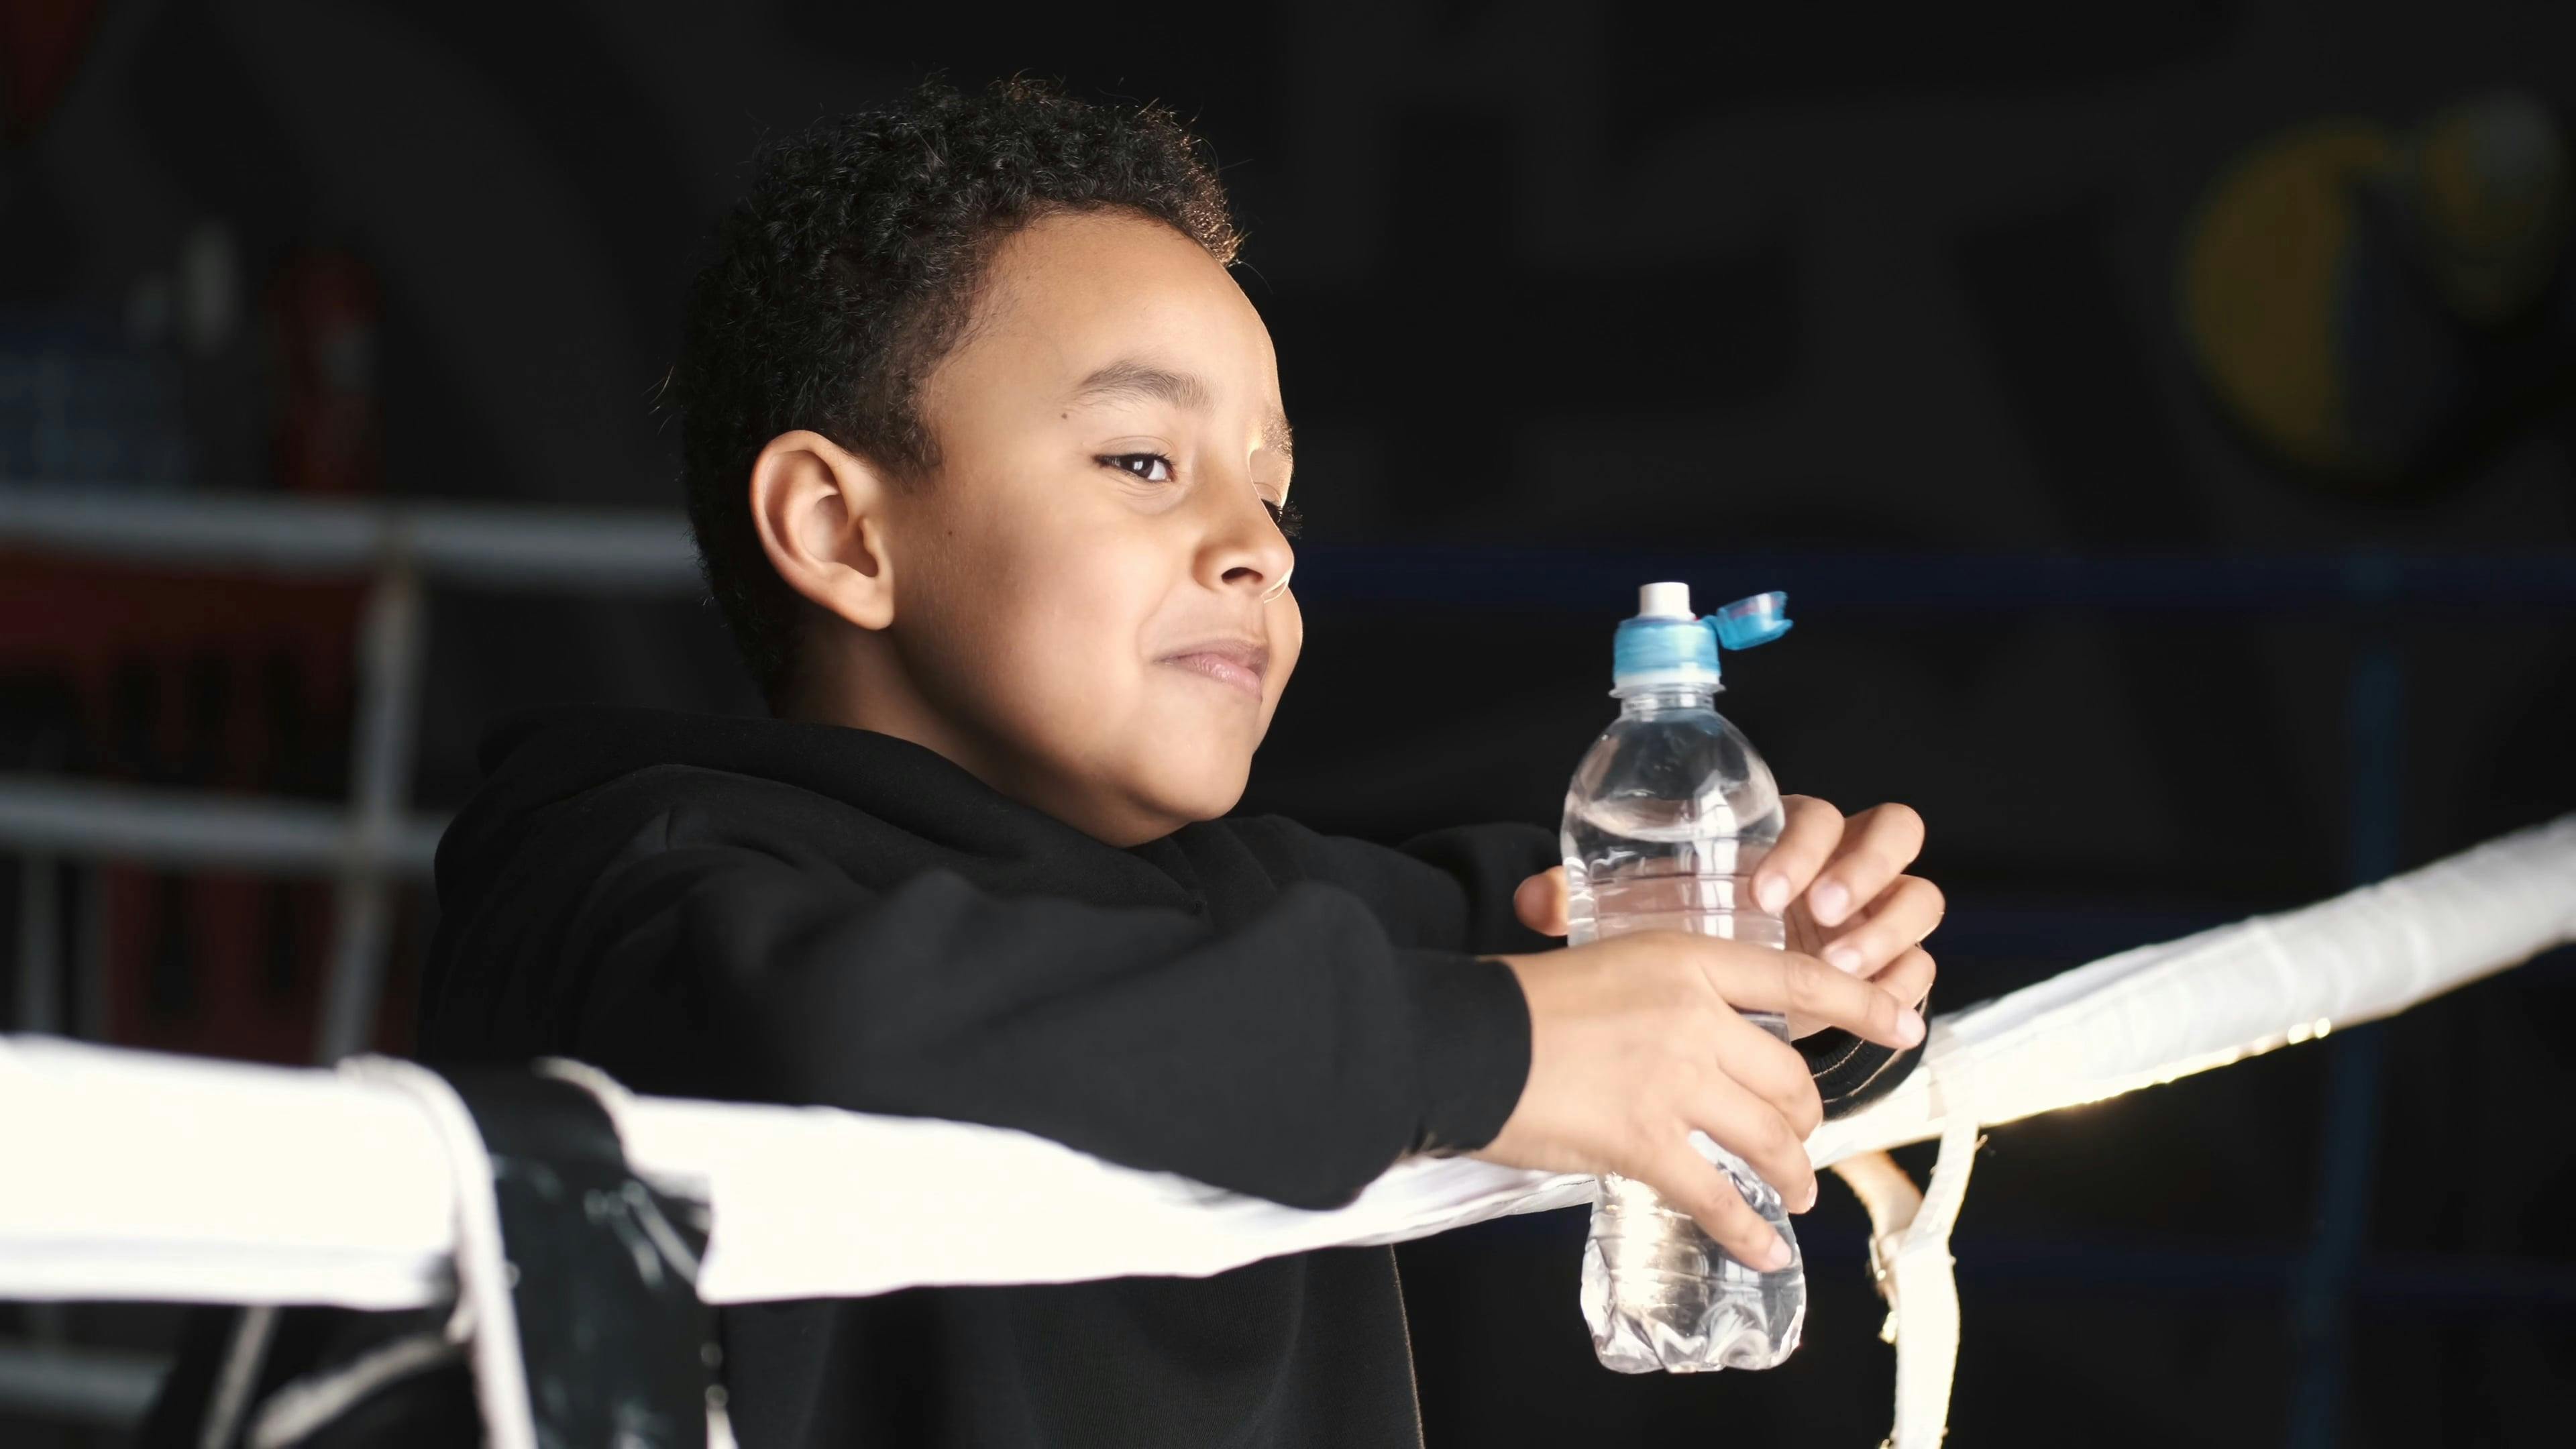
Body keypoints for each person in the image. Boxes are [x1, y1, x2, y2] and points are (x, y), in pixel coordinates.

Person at [419, 78, 1942, 1448]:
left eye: (1275, 493)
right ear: (839, 530)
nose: (1258, 549)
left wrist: (1791, 966)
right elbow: (854, 1025)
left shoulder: (1244, 902)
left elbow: (1536, 929)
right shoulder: (628, 882)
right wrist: (1504, 1050)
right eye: (1146, 462)